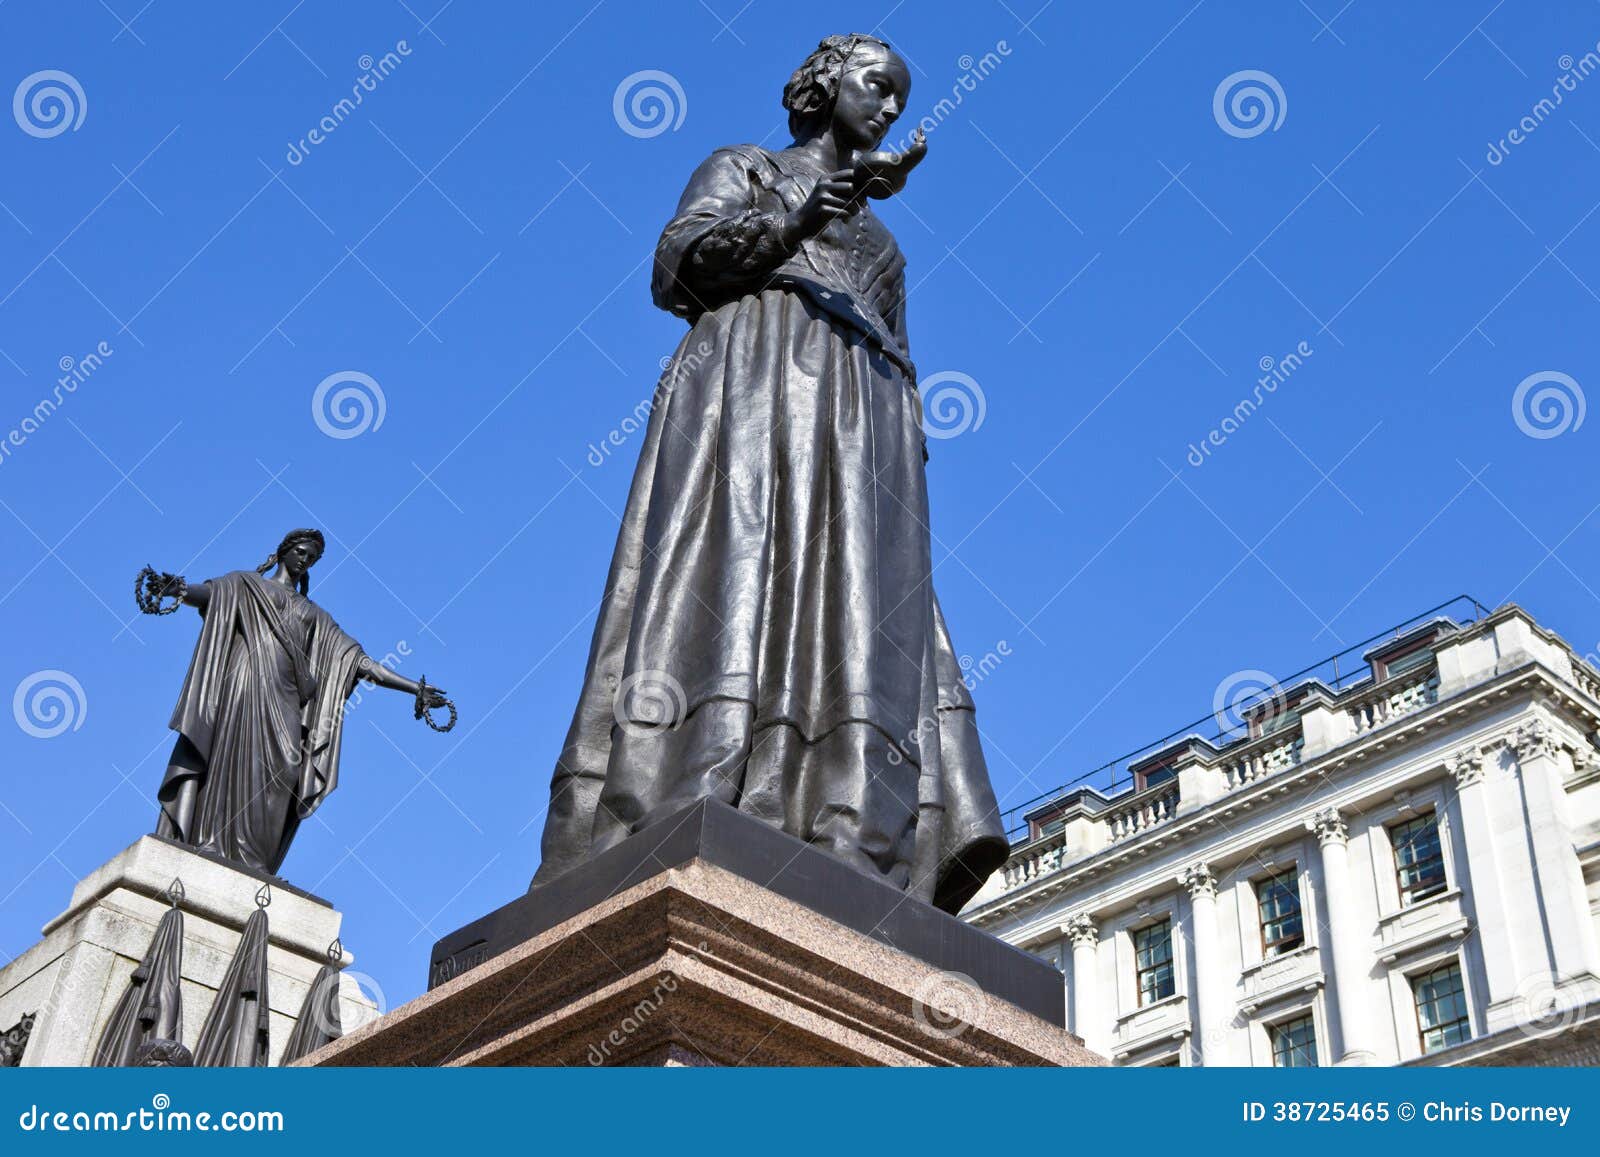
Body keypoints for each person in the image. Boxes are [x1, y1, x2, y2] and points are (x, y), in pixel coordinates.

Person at [533, 35, 1007, 913]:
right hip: (752, 388)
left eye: (901, 99)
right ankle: (706, 776)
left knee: (856, 607)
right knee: (737, 572)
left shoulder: (885, 242)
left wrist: (897, 447)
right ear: (826, 83)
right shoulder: (746, 168)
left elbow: (902, 354)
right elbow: (675, 270)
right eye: (878, 85)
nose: (890, 108)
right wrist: (792, 223)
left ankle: (845, 811)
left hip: (863, 425)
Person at [150, 528, 449, 874]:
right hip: (245, 687)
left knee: (284, 772)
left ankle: (255, 860)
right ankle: (213, 842)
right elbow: (212, 595)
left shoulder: (316, 616)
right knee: (230, 760)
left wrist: (414, 688)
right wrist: (179, 589)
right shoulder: (246, 585)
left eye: (313, 558)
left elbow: (358, 662)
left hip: (286, 700)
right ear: (284, 551)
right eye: (302, 552)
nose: (306, 560)